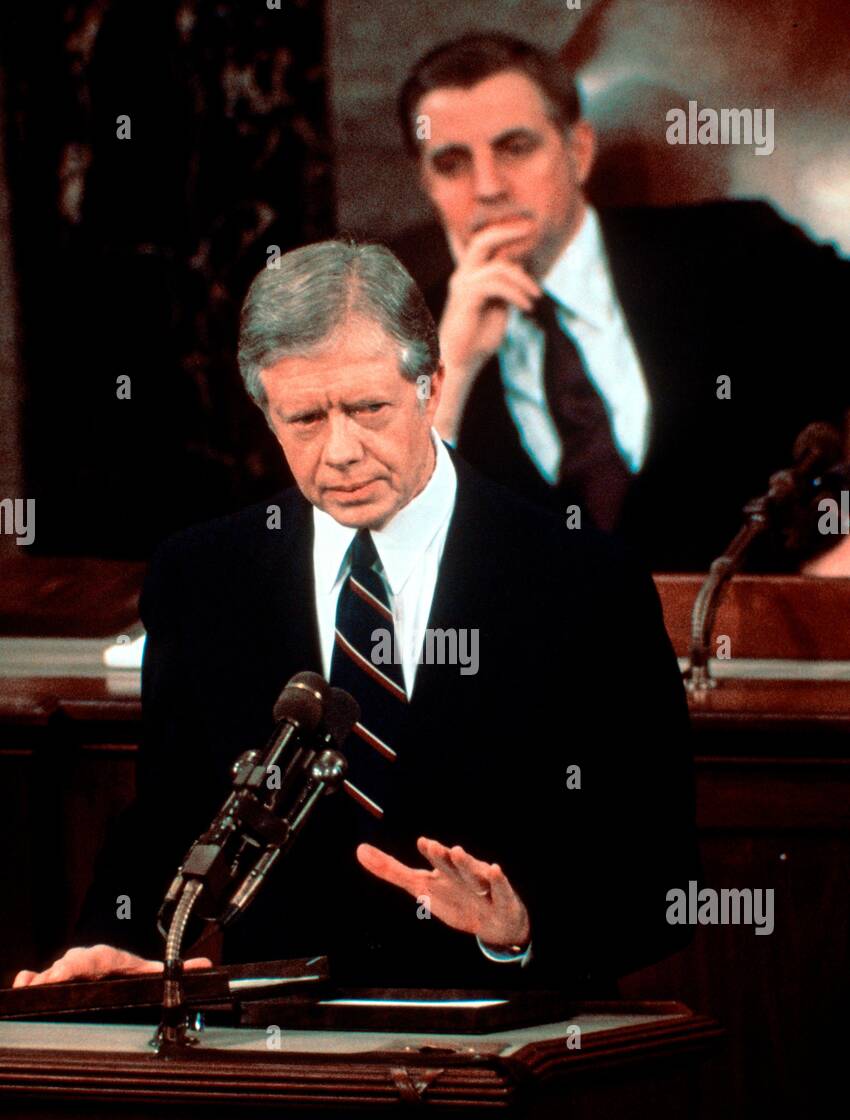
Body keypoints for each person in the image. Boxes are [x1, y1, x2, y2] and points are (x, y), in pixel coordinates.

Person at [14, 241, 696, 994]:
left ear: (430, 386)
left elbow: (658, 876)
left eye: (368, 409)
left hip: (506, 1046)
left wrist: (522, 931)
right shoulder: (203, 577)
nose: (340, 451)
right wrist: (107, 946)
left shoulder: (581, 580)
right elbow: (172, 820)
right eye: (304, 418)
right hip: (284, 1059)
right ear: (265, 415)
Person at [396, 32, 850, 572]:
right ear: (427, 184)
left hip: (765, 644)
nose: (488, 187)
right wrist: (454, 363)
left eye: (515, 147)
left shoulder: (739, 250)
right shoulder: (403, 335)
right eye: (452, 163)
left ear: (578, 150)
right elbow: (384, 558)